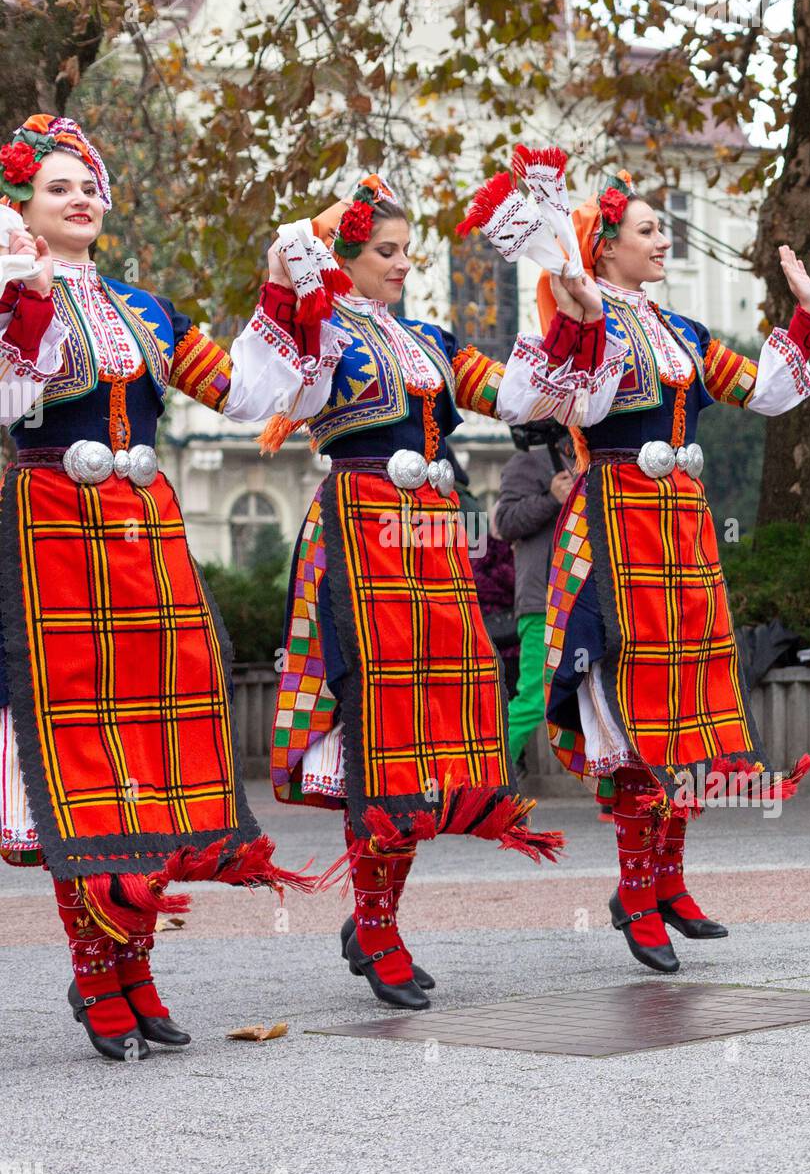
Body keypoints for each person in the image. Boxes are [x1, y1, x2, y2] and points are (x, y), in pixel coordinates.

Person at [0, 114, 319, 1061]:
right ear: (24, 202)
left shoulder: (142, 308)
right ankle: (99, 977)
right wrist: (22, 291)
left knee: (152, 749)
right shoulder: (12, 294)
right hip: (52, 526)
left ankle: (135, 965)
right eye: (60, 187)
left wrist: (280, 288)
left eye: (90, 185)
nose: (82, 198)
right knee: (82, 758)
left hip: (146, 535)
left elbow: (248, 394)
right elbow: (10, 398)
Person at [262, 176, 619, 1009]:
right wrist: (291, 289)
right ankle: (378, 926)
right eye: (385, 251)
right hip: (357, 529)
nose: (402, 264)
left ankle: (375, 911)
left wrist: (568, 320)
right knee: (380, 725)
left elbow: (515, 397)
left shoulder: (427, 339)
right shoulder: (320, 336)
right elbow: (277, 386)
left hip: (428, 536)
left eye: (406, 250)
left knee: (431, 727)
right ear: (342, 257)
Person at [529, 165, 810, 974]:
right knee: (633, 708)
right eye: (649, 231)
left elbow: (763, 391)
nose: (665, 240)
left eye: (664, 229)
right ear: (607, 248)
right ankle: (635, 889)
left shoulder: (683, 331)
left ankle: (667, 883)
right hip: (615, 528)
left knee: (690, 703)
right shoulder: (588, 322)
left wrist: (804, 316)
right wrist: (579, 314)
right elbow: (569, 404)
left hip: (683, 533)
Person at [495, 421, 574, 772]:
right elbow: (506, 522)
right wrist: (551, 499)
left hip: (584, 598)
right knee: (533, 696)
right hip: (542, 600)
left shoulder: (586, 464)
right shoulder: (525, 464)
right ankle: (488, 776)